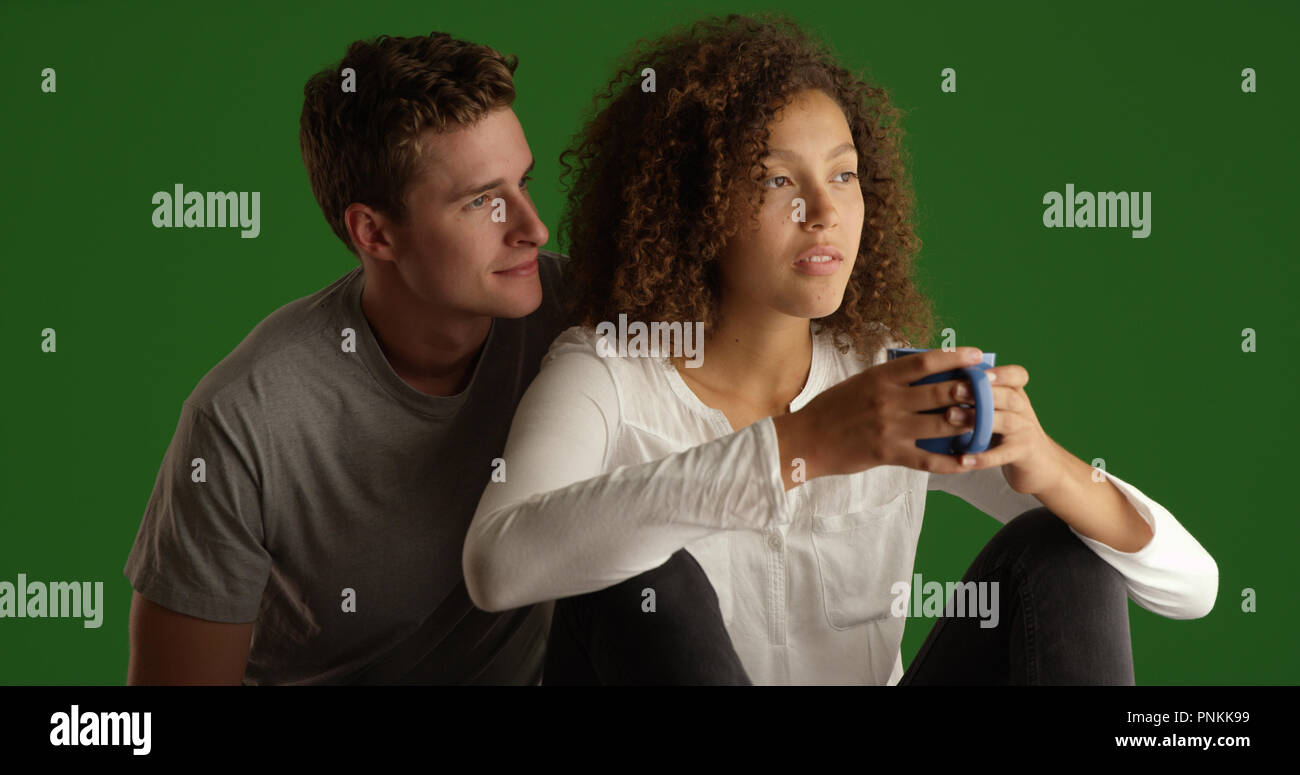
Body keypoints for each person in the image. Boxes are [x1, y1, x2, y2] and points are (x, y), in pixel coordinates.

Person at [463, 14, 1218, 685]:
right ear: (695, 202)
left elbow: (1195, 587)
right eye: (776, 179)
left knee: (1065, 544)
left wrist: (1046, 462)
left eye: (845, 175)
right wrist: (801, 445)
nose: (824, 211)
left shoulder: (888, 380)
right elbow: (496, 564)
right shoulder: (606, 373)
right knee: (636, 572)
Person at [124, 31, 566, 684]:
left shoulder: (581, 313)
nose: (533, 226)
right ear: (375, 232)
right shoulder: (245, 420)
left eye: (522, 182)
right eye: (480, 200)